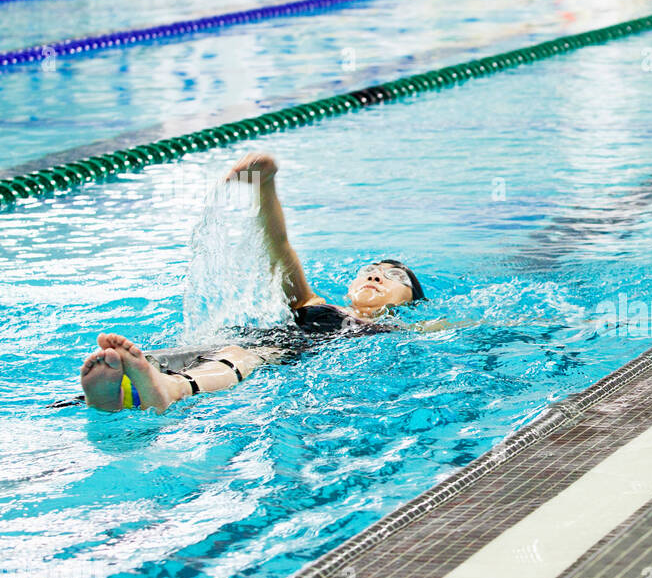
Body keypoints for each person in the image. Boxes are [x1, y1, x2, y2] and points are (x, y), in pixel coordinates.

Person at [75, 152, 447, 414]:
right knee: (174, 353)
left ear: (410, 300)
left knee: (238, 356)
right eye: (369, 270)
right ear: (349, 287)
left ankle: (166, 390)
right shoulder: (311, 302)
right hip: (231, 340)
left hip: (267, 355)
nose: (377, 275)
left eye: (396, 276)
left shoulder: (397, 329)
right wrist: (265, 184)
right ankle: (118, 390)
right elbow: (279, 245)